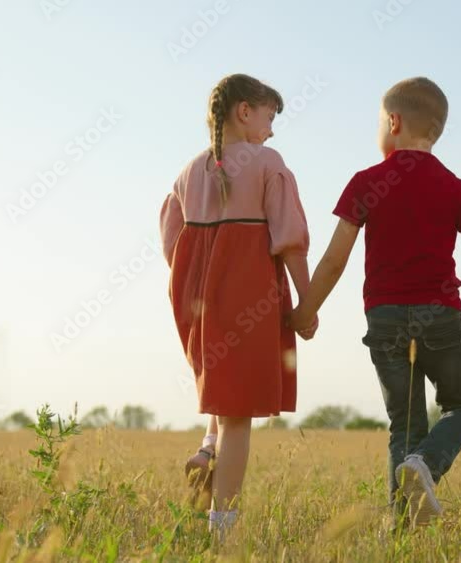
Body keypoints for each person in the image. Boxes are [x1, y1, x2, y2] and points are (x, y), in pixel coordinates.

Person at [291, 77, 461, 527]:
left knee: (404, 426)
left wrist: (307, 310)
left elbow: (335, 260)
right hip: (440, 317)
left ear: (394, 122)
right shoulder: (456, 187)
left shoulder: (366, 182)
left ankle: (403, 532)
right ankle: (426, 466)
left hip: (383, 320)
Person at [160, 73, 316, 542]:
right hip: (247, 292)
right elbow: (290, 241)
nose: (271, 130)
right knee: (240, 414)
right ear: (244, 112)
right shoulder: (268, 163)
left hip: (196, 299)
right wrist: (307, 302)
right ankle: (222, 531)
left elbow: (172, 243)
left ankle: (207, 450)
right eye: (269, 117)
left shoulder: (189, 171)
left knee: (224, 396)